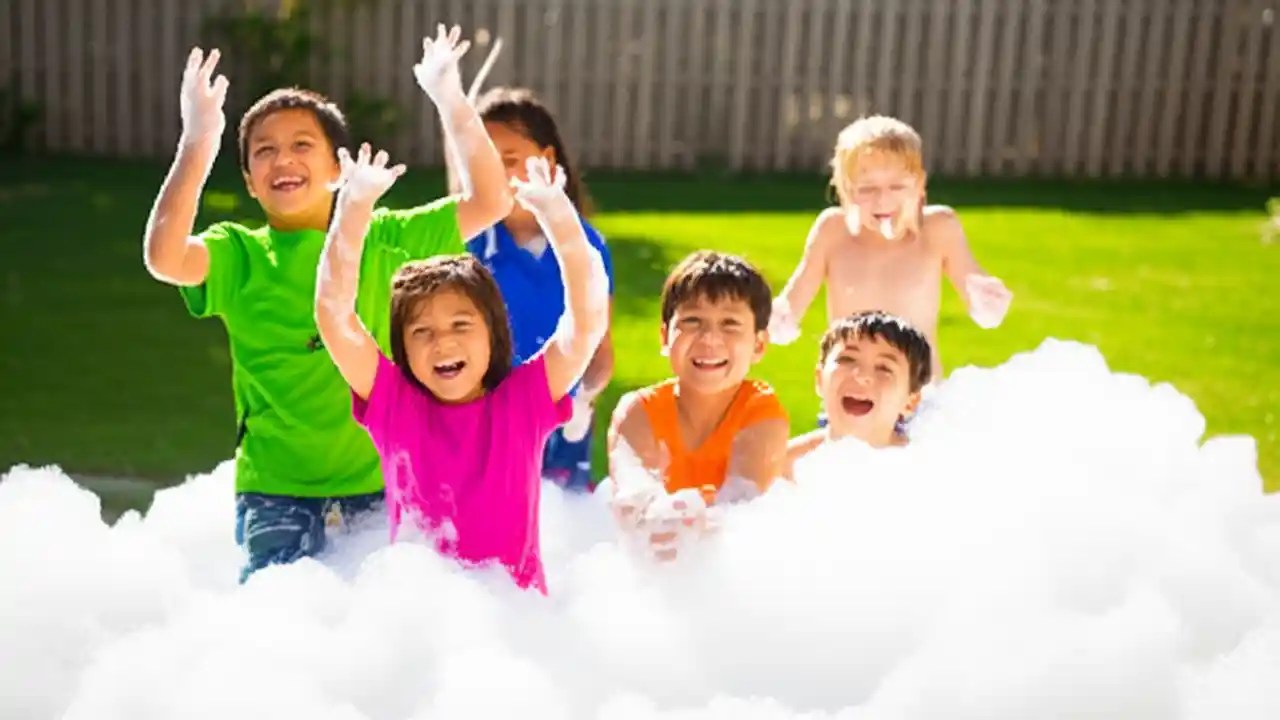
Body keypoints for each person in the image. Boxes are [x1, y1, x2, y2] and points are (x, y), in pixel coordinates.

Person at [141, 25, 512, 582]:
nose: (282, 159)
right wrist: (197, 142)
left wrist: (450, 100)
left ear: (339, 169)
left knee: (381, 633)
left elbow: (491, 199)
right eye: (263, 151)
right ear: (249, 181)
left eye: (301, 145)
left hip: (383, 484)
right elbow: (165, 258)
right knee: (279, 629)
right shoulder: (241, 253)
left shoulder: (386, 236)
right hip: (276, 490)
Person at [314, 149, 608, 592]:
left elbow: (585, 323)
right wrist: (353, 208)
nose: (442, 342)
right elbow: (333, 315)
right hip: (424, 619)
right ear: (402, 348)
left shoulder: (523, 400)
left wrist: (557, 215)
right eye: (422, 331)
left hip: (517, 618)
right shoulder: (395, 404)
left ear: (493, 333)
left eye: (460, 325)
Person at [769, 114, 1013, 382]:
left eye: (897, 186)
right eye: (867, 189)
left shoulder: (938, 229)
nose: (883, 200)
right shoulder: (833, 231)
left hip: (918, 395)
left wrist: (988, 301)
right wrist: (777, 320)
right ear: (845, 191)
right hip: (850, 395)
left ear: (920, 185)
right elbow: (792, 304)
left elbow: (976, 292)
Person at [461, 87, 615, 491]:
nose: (496, 175)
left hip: (564, 425)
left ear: (547, 160)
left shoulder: (587, 247)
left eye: (508, 161)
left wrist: (582, 398)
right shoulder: (468, 247)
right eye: (485, 163)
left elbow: (601, 353)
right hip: (487, 425)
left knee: (559, 532)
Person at [606, 251, 790, 560]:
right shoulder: (638, 412)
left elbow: (740, 503)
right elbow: (632, 488)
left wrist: (694, 520)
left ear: (759, 345)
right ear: (665, 337)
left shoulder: (763, 416)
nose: (709, 340)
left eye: (730, 325)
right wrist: (653, 509)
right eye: (692, 321)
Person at [785, 311, 933, 477]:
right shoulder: (781, 468)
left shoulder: (923, 471)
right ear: (819, 379)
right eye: (847, 359)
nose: (862, 376)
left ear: (910, 402)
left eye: (884, 368)